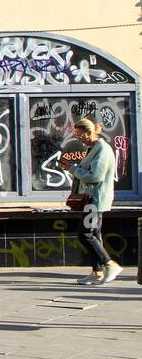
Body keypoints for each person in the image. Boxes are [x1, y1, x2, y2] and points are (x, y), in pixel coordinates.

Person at [61, 118, 121, 285]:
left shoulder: (102, 149)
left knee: (85, 233)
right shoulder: (93, 148)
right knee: (94, 234)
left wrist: (73, 168)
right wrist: (72, 167)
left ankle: (110, 264)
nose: (80, 139)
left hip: (96, 199)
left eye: (81, 136)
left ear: (90, 132)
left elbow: (95, 176)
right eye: (77, 137)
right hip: (91, 198)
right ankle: (97, 272)